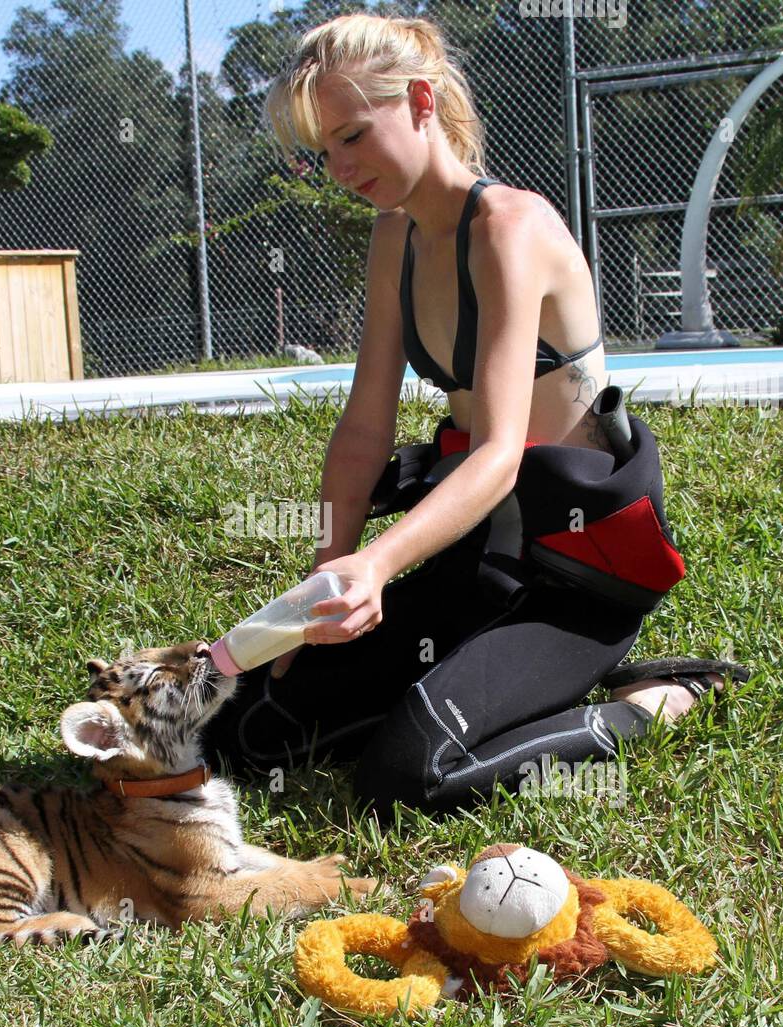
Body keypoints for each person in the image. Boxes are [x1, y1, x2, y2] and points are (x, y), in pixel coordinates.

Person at [199, 13, 748, 815]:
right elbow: (363, 432)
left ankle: (651, 701)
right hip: (484, 559)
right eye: (325, 152)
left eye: (353, 135)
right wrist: (325, 582)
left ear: (421, 101)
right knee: (244, 732)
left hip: (576, 571)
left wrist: (379, 566)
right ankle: (475, 688)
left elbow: (498, 451)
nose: (340, 168)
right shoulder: (398, 235)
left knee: (402, 779)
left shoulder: (510, 229)